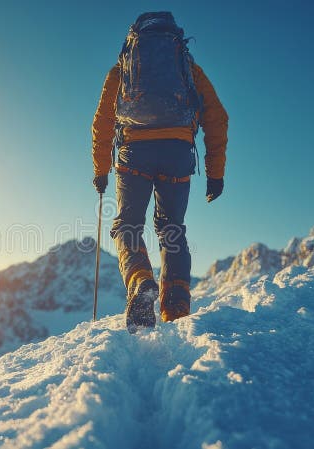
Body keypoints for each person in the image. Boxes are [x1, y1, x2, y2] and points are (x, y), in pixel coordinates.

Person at [91, 11, 228, 332]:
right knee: (172, 229)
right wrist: (215, 173)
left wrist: (100, 170)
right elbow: (217, 116)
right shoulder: (189, 70)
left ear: (133, 41)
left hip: (132, 154)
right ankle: (176, 307)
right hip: (178, 153)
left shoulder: (120, 71)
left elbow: (102, 122)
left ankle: (140, 281)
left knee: (128, 225)